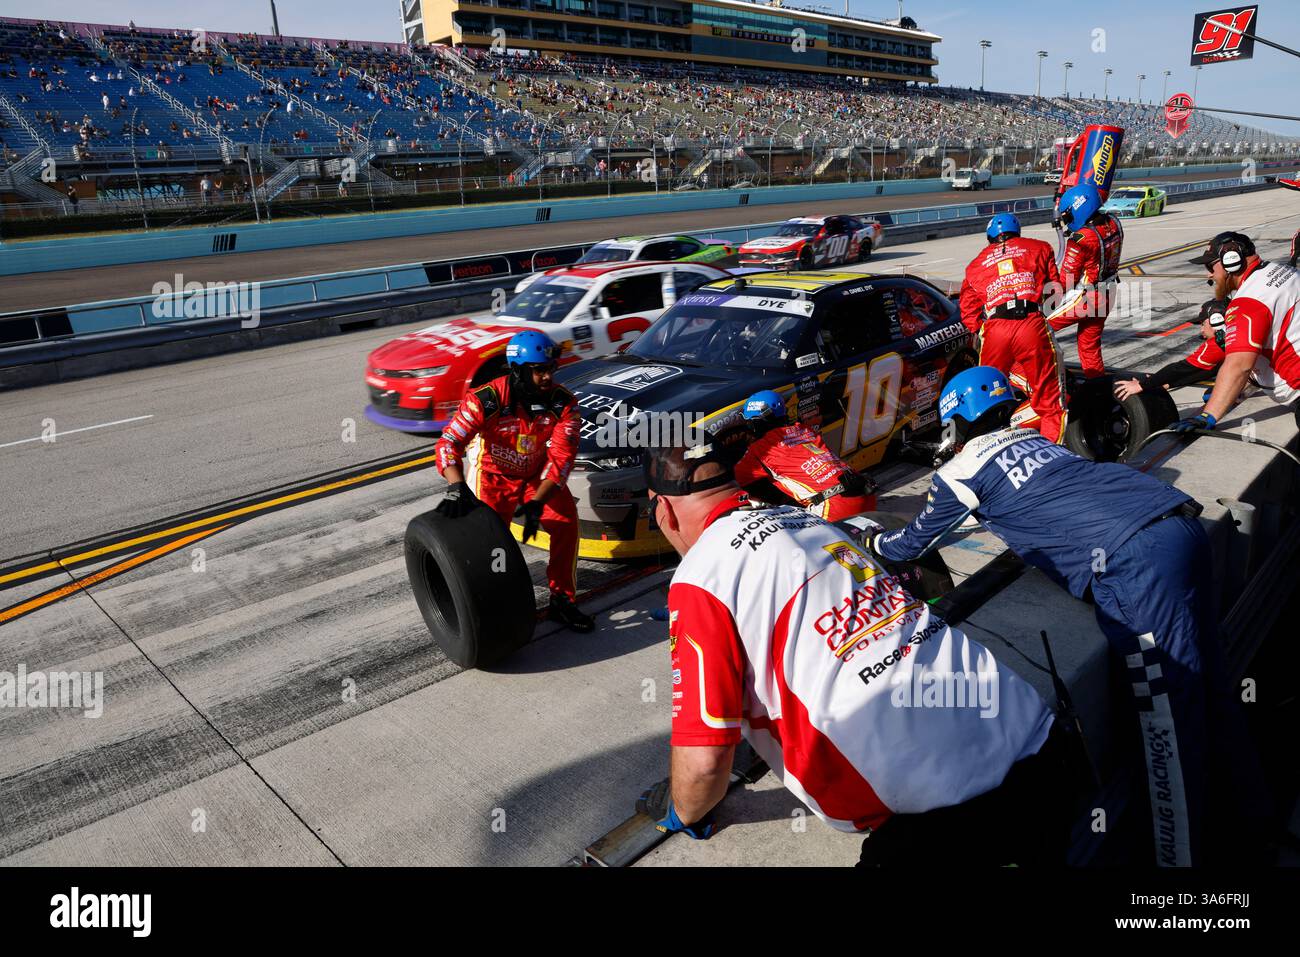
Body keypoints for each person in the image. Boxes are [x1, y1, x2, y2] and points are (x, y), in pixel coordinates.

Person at [865, 366, 1266, 866]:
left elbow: (910, 543)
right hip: (1180, 527)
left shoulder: (960, 469)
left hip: (1136, 564)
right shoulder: (1040, 443)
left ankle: (1179, 875)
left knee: (1170, 730)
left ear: (956, 422)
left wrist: (871, 540)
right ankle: (1252, 825)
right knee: (1213, 690)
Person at [637, 435, 1069, 866]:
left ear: (664, 509)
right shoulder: (807, 520)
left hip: (940, 810)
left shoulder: (700, 576)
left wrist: (682, 809)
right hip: (1042, 740)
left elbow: (706, 760)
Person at [433, 330, 594, 633]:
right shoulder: (485, 400)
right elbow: (448, 444)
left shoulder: (564, 404)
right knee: (491, 545)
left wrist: (537, 503)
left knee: (566, 524)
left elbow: (561, 460)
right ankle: (492, 604)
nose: (548, 377)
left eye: (550, 369)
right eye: (539, 370)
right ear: (518, 370)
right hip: (491, 477)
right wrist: (456, 487)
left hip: (536, 476)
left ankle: (562, 599)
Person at [958, 213, 1068, 442]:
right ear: (1017, 232)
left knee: (985, 399)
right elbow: (1056, 291)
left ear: (990, 238)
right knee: (1051, 403)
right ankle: (1053, 464)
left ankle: (988, 454)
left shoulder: (975, 265)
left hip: (995, 329)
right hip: (1031, 324)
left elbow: (968, 313)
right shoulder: (1041, 248)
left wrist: (985, 330)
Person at [1176, 232, 1300, 432]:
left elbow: (1239, 365)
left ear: (1231, 261)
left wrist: (1208, 415)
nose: (1209, 275)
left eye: (1210, 267)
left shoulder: (1248, 302)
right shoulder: (1283, 270)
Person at [732, 390, 877, 520]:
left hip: (834, 506)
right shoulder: (803, 430)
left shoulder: (760, 450)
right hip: (865, 493)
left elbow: (733, 482)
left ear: (756, 423)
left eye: (749, 423)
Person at [1050, 183, 1124, 379]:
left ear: (1079, 207)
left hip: (1088, 297)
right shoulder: (1114, 222)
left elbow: (1067, 279)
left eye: (1069, 215)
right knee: (1088, 345)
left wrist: (1045, 296)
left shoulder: (1081, 239)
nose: (1067, 221)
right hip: (1109, 292)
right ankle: (1098, 389)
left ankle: (1044, 380)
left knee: (1037, 326)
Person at [1113, 299, 1226, 401]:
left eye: (1203, 324)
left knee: (1213, 396)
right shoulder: (1232, 332)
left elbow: (1179, 368)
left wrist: (1141, 385)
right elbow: (1209, 371)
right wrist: (1167, 384)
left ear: (1217, 321)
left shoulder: (1215, 344)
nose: (1201, 330)